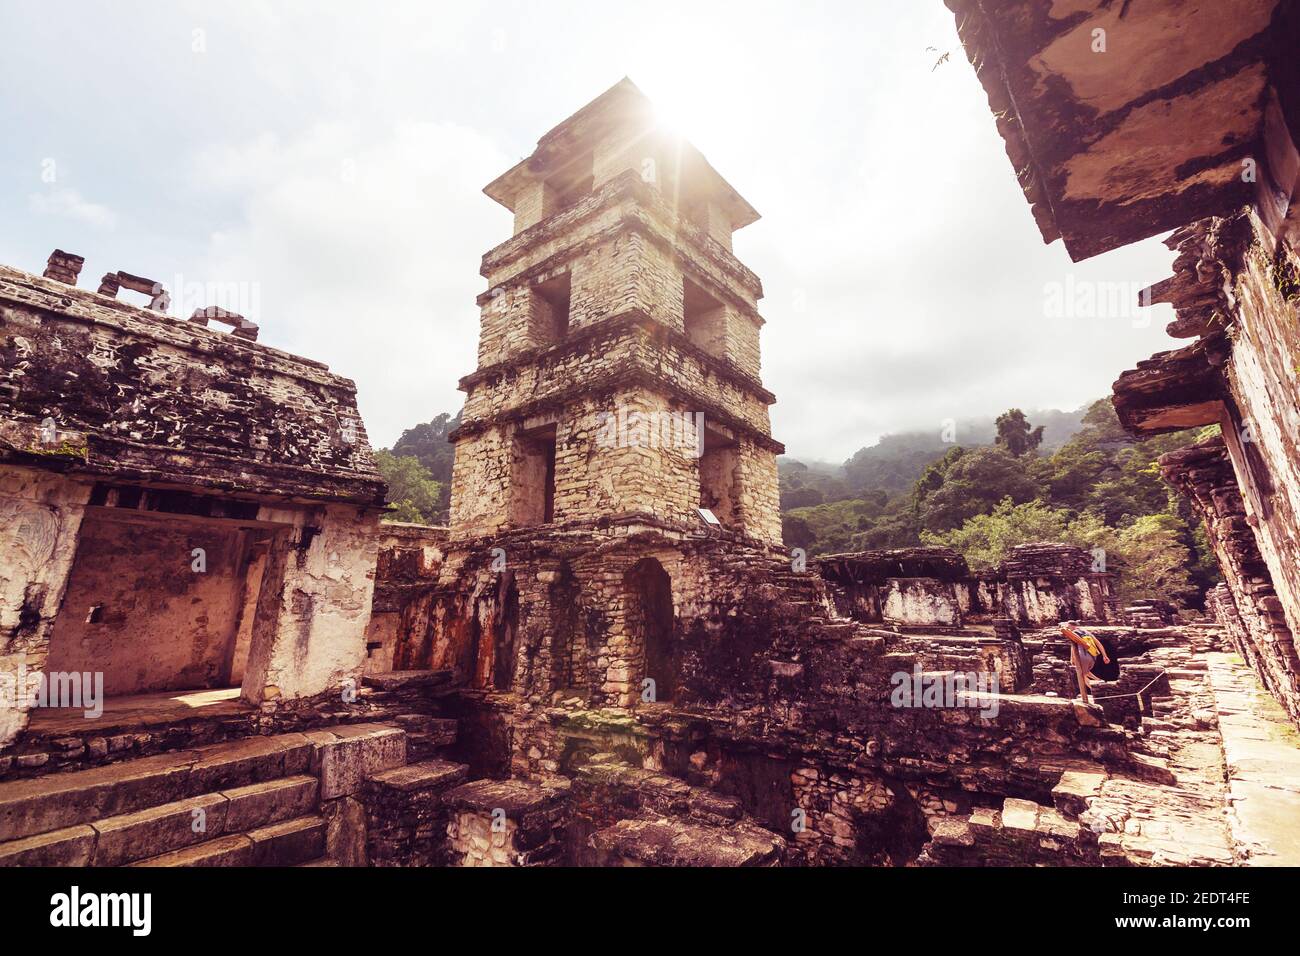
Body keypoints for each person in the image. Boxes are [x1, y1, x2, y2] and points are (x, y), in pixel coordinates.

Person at [1061, 620, 1114, 688]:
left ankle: (1096, 690)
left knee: (1081, 675)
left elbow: (1073, 647)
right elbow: (1098, 644)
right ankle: (1100, 681)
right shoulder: (1087, 633)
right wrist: (1104, 656)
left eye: (1068, 627)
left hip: (1082, 656)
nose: (1068, 628)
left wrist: (1072, 659)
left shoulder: (1073, 633)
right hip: (1093, 657)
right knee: (1086, 672)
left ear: (1071, 626)